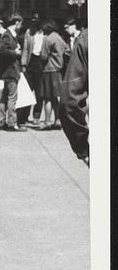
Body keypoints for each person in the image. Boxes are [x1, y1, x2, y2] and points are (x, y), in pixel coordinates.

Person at [58, 18, 89, 165]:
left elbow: (69, 102)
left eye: (67, 25)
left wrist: (82, 148)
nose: (65, 28)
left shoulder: (85, 39)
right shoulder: (80, 40)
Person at [37, 19, 68, 131]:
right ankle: (58, 120)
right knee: (56, 98)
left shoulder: (47, 38)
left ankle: (47, 121)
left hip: (48, 70)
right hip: (58, 70)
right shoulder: (59, 37)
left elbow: (44, 56)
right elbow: (67, 50)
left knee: (47, 98)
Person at [0, 13, 25, 132]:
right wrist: (16, 52)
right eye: (21, 23)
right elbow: (2, 51)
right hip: (11, 71)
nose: (21, 26)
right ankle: (12, 123)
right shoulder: (7, 36)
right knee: (12, 97)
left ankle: (1, 121)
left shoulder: (10, 35)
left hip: (8, 71)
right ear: (17, 22)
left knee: (5, 97)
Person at [21, 18, 44, 126]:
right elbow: (25, 48)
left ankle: (36, 116)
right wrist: (23, 64)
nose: (34, 23)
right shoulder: (29, 32)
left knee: (39, 93)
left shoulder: (44, 32)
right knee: (27, 91)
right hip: (31, 62)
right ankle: (25, 116)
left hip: (41, 63)